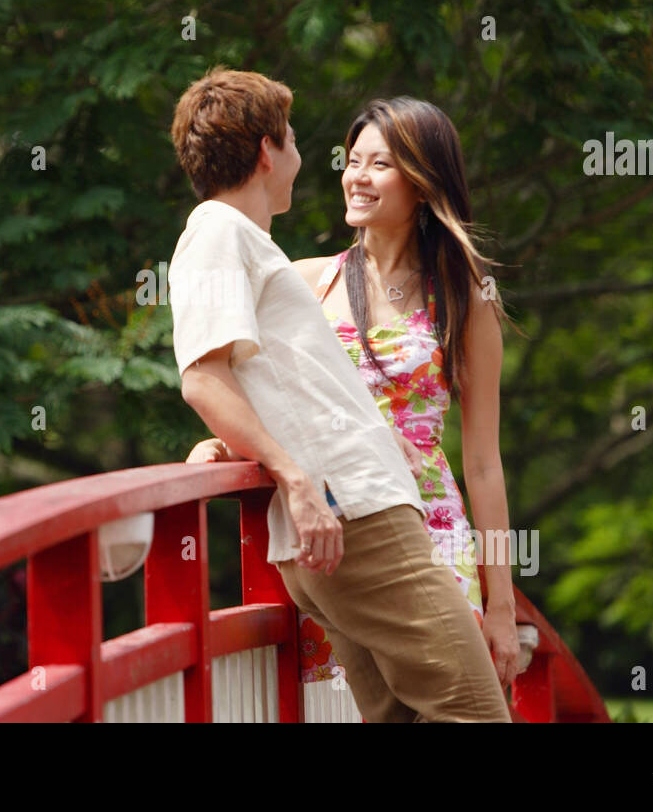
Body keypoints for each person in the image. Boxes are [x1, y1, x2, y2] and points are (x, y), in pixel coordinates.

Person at [168, 66, 510, 722]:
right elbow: (205, 377)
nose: (342, 171)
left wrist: (500, 601)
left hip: (383, 512)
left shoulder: (459, 294)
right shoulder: (229, 236)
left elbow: (263, 379)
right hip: (354, 509)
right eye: (300, 140)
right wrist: (282, 470)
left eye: (378, 163)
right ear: (268, 151)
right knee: (477, 713)